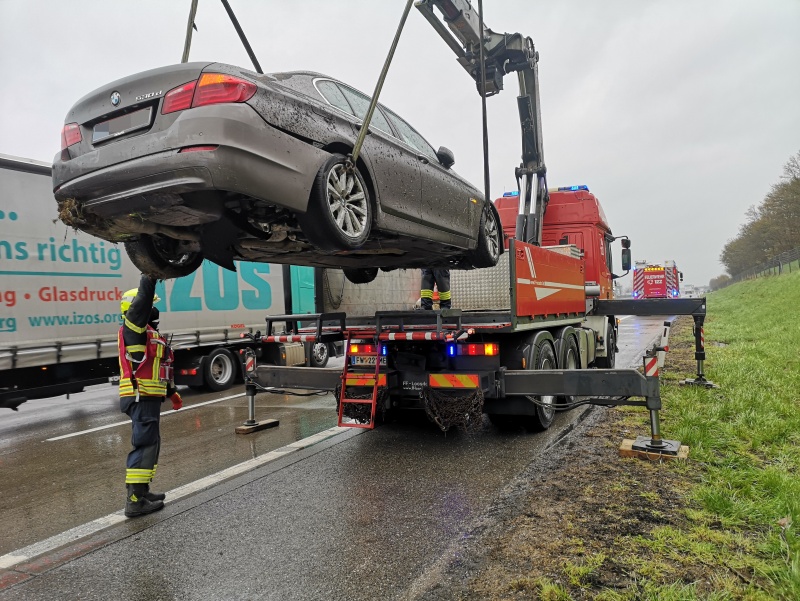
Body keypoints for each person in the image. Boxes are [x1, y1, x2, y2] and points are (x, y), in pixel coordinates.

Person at [118, 275, 183, 518]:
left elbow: (159, 367)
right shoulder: (133, 327)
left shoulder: (148, 333)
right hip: (139, 396)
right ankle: (134, 500)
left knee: (151, 445)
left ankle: (143, 492)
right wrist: (150, 273)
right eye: (151, 306)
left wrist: (172, 392)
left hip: (149, 397)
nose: (155, 310)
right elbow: (143, 301)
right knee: (144, 444)